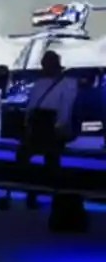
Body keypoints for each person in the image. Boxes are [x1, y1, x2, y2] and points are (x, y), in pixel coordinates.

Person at [13, 50, 78, 208]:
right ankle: (33, 192)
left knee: (51, 162)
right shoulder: (41, 83)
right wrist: (28, 124)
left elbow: (66, 106)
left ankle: (53, 196)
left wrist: (60, 126)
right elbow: (32, 105)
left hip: (52, 125)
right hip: (38, 124)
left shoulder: (67, 83)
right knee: (27, 158)